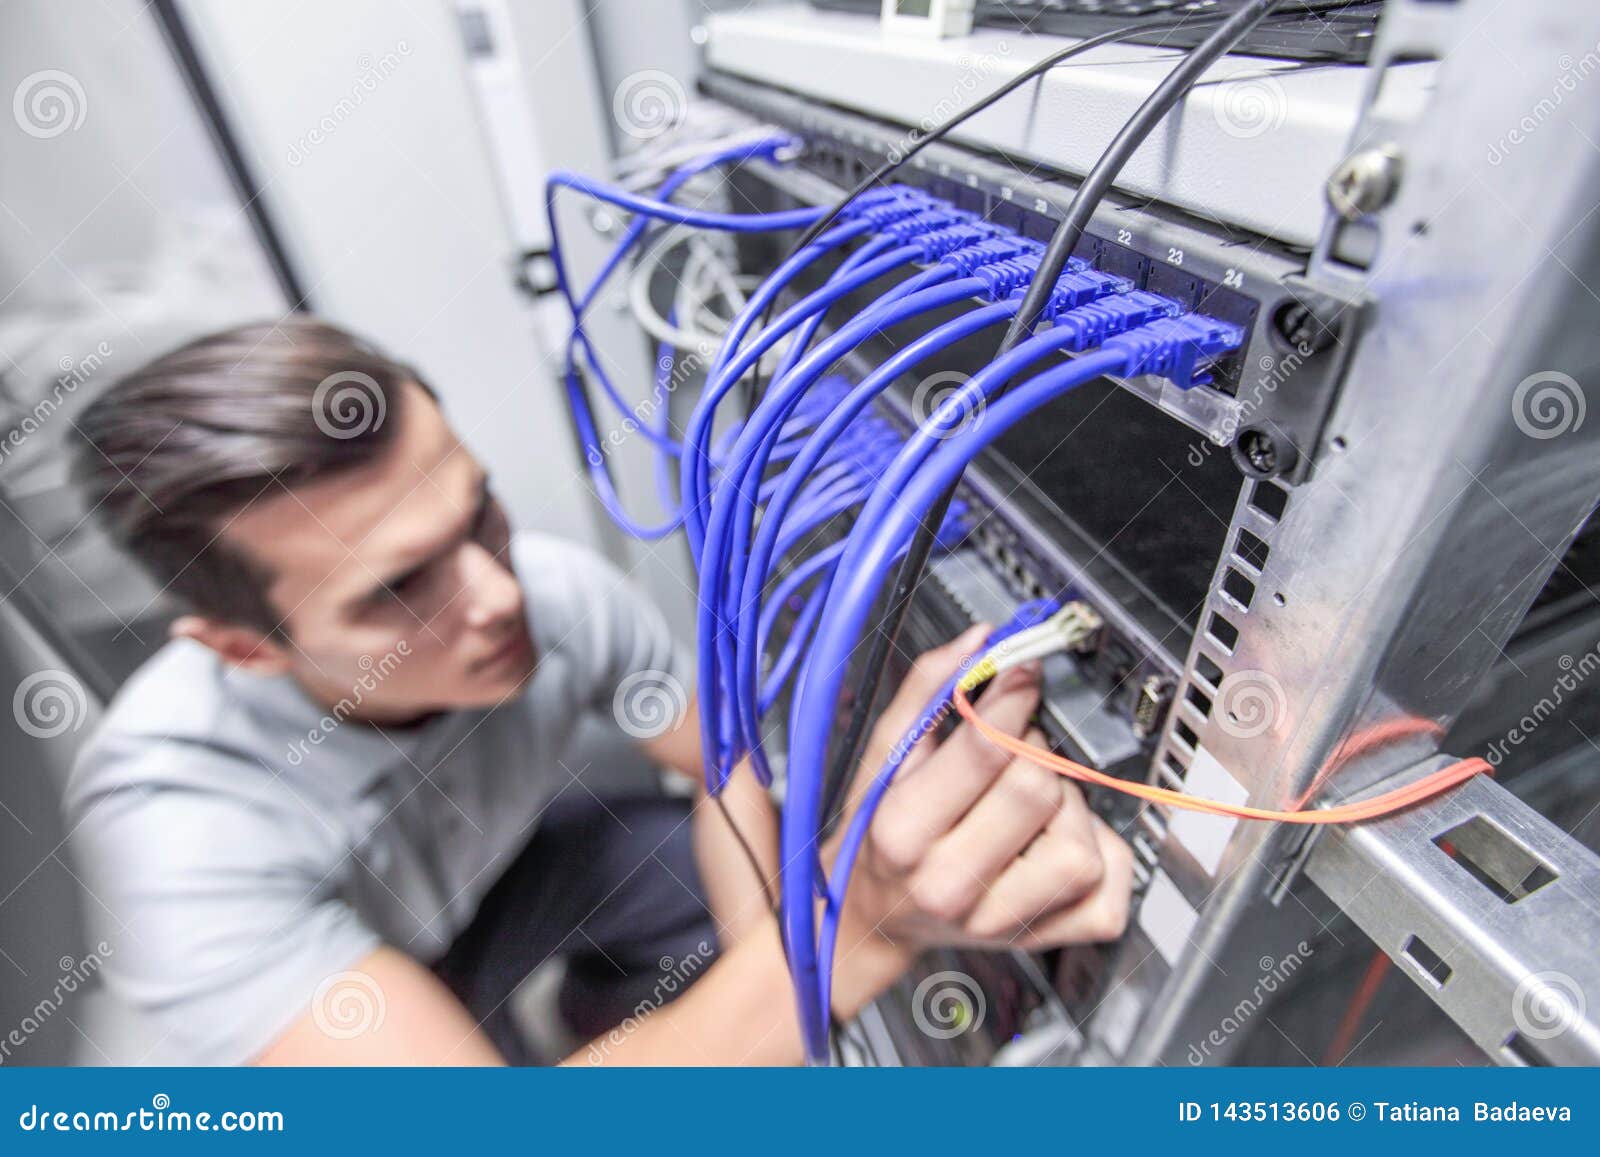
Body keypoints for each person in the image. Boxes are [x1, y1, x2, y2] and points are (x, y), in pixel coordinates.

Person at [65, 317, 1132, 1066]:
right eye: (398, 588)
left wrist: (779, 963)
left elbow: (722, 773)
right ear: (246, 649)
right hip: (297, 1029)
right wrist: (858, 931)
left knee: (676, 853)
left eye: (477, 515)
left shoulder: (546, 592)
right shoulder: (174, 826)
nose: (496, 594)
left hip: (490, 890)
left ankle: (621, 1024)